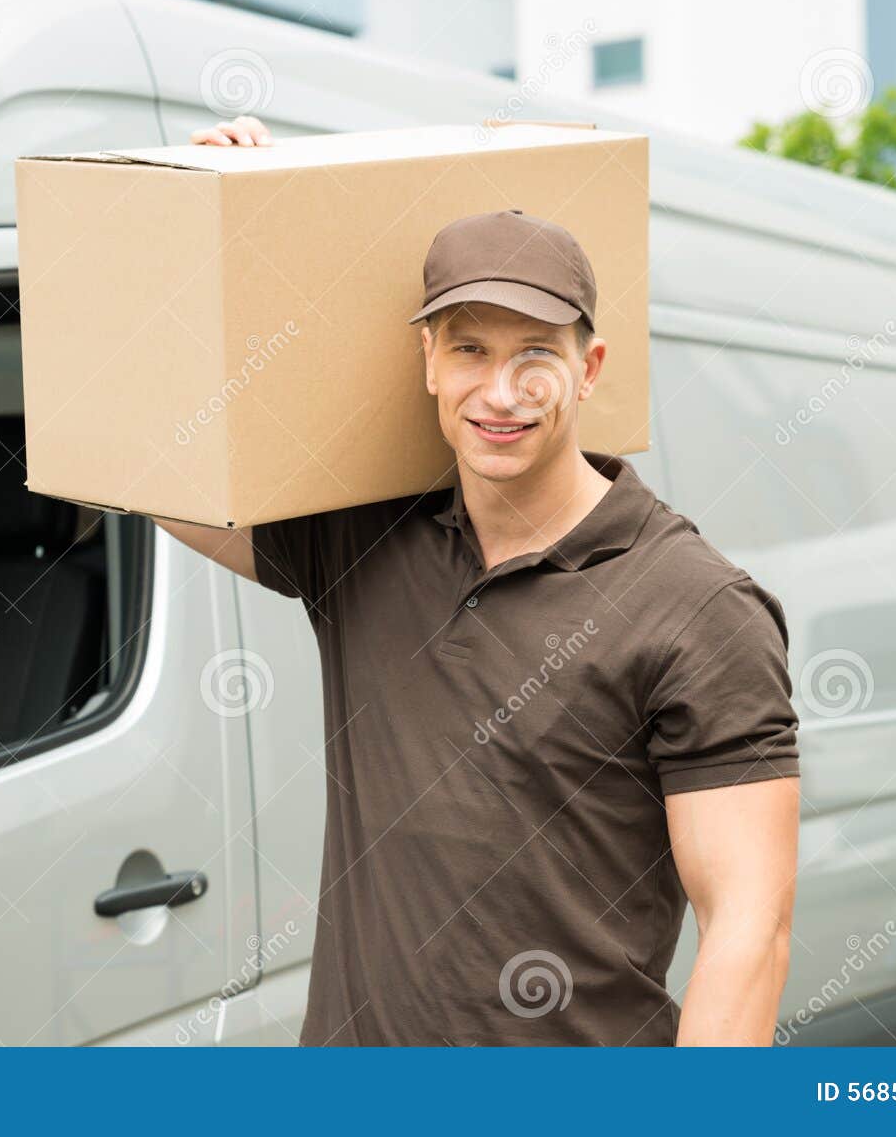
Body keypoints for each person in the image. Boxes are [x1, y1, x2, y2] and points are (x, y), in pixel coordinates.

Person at [153, 114, 801, 1046]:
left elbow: (749, 926)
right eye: (470, 350)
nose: (501, 393)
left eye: (536, 353)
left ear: (589, 369)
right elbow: (159, 478)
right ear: (427, 361)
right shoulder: (365, 543)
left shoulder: (695, 607)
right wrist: (200, 223)